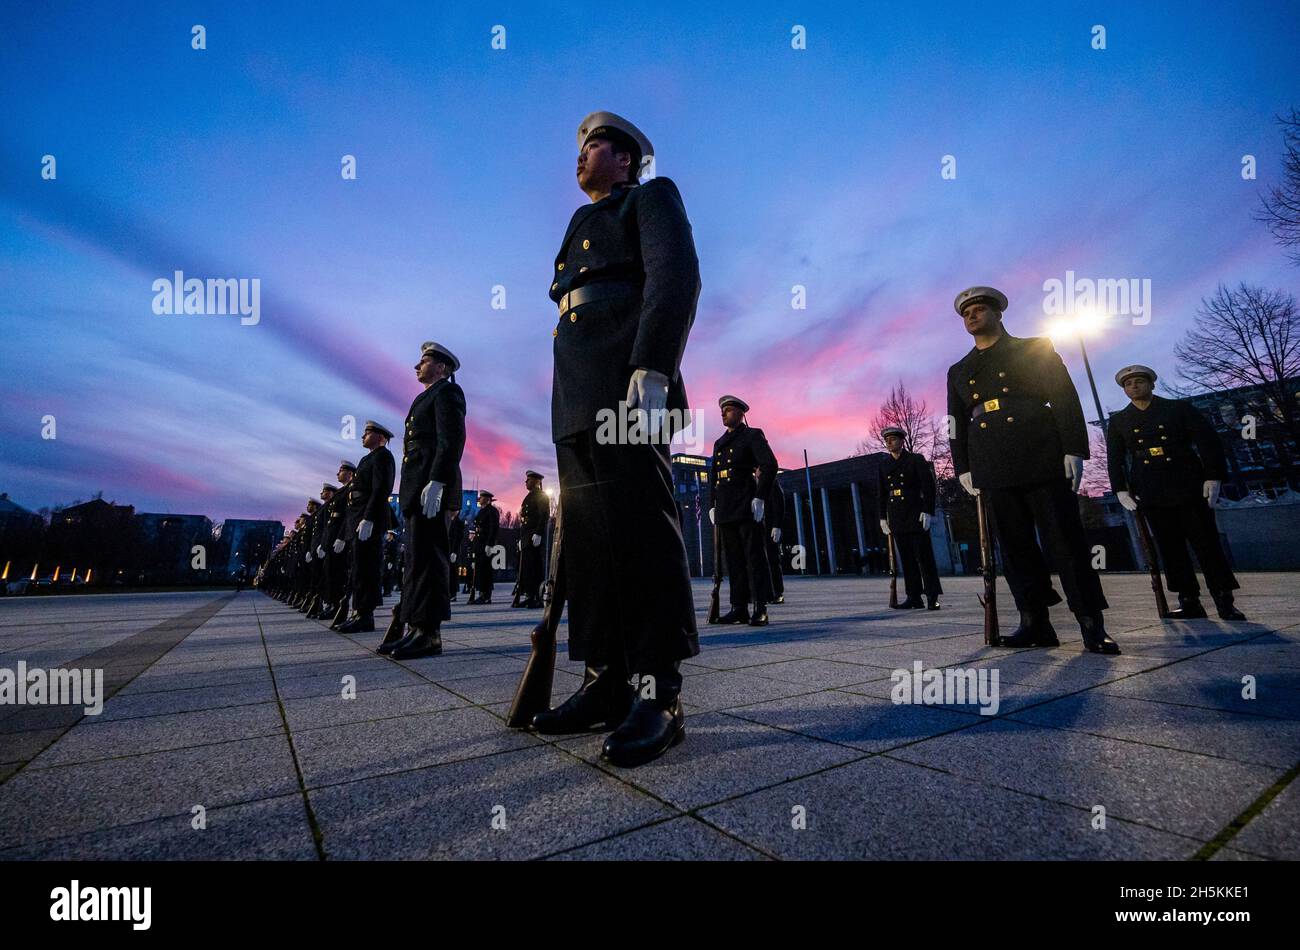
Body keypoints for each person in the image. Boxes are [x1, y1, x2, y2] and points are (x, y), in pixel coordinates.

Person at [530, 111, 700, 767]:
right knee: (593, 545)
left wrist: (653, 365)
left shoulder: (652, 198)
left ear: (626, 159)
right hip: (577, 392)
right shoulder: (578, 225)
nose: (580, 155)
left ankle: (659, 694)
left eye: (593, 145)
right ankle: (606, 680)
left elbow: (676, 276)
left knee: (640, 531)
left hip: (628, 381)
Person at [947, 285, 1118, 654]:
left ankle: (1091, 622)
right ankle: (1034, 621)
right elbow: (955, 422)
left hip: (1039, 451)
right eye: (966, 313)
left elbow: (1063, 396)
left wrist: (1073, 447)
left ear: (998, 313)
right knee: (1014, 547)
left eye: (979, 309)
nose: (972, 316)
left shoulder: (1033, 348)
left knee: (1066, 542)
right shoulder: (959, 370)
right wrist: (962, 465)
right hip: (991, 461)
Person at [1106, 364, 1246, 620]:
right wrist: (1120, 489)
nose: (1134, 386)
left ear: (1151, 384)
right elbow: (1114, 457)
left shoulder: (1177, 409)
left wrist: (1213, 476)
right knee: (1170, 548)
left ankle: (1224, 598)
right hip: (1149, 488)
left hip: (1186, 482)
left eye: (1139, 381)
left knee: (1207, 543)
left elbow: (1207, 442)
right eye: (1128, 384)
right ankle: (1188, 599)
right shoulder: (1119, 420)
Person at [382, 341, 467, 658]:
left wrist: (437, 481)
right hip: (418, 491)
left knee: (430, 561)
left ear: (442, 367)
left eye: (424, 361)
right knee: (416, 561)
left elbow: (451, 440)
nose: (416, 366)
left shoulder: (448, 393)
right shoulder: (426, 396)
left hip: (432, 489)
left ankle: (430, 634)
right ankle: (416, 627)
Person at [709, 395, 778, 626]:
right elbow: (713, 476)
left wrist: (760, 497)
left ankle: (760, 607)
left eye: (728, 409)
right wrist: (712, 504)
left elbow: (769, 465)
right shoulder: (718, 442)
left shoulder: (752, 435)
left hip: (746, 502)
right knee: (733, 560)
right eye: (722, 410)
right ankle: (739, 607)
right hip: (725, 505)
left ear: (741, 413)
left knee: (754, 557)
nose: (723, 413)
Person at [338, 420, 396, 633]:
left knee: (367, 566)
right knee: (358, 566)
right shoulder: (367, 458)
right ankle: (359, 611)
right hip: (359, 516)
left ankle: (365, 614)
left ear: (381, 437)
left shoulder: (383, 456)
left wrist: (369, 517)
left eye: (367, 433)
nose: (362, 436)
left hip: (368, 517)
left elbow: (381, 489)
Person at [876, 426, 943, 610]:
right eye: (887, 440)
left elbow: (928, 487)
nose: (889, 443)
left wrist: (928, 510)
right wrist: (883, 517)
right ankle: (914, 596)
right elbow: (881, 493)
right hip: (896, 514)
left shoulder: (915, 460)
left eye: (893, 439)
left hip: (915, 511)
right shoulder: (883, 464)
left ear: (902, 441)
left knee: (924, 556)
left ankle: (932, 596)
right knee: (906, 559)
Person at [515, 471, 550, 608]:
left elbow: (544, 514)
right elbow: (523, 520)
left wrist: (539, 533)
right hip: (526, 536)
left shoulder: (541, 496)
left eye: (528, 480)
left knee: (535, 567)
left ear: (536, 482)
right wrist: (521, 538)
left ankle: (538, 596)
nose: (526, 482)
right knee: (527, 568)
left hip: (534, 535)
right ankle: (529, 595)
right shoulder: (528, 497)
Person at [328, 460, 356, 629]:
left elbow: (349, 515)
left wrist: (343, 536)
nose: (337, 474)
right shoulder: (342, 492)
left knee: (343, 573)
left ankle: (343, 605)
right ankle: (334, 604)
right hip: (337, 537)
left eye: (341, 471)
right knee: (332, 573)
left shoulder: (351, 490)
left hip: (346, 535)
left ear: (350, 473)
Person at [468, 490, 499, 604]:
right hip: (479, 544)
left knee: (486, 570)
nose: (479, 499)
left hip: (485, 544)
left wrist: (490, 544)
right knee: (480, 569)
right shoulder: (482, 511)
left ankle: (486, 595)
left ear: (488, 499)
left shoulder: (492, 511)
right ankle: (481, 592)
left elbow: (493, 528)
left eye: (481, 497)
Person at [764, 477, 786, 604]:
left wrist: (777, 525)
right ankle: (764, 593)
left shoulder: (771, 482)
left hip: (769, 528)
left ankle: (778, 592)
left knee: (772, 559)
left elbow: (779, 504)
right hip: (756, 529)